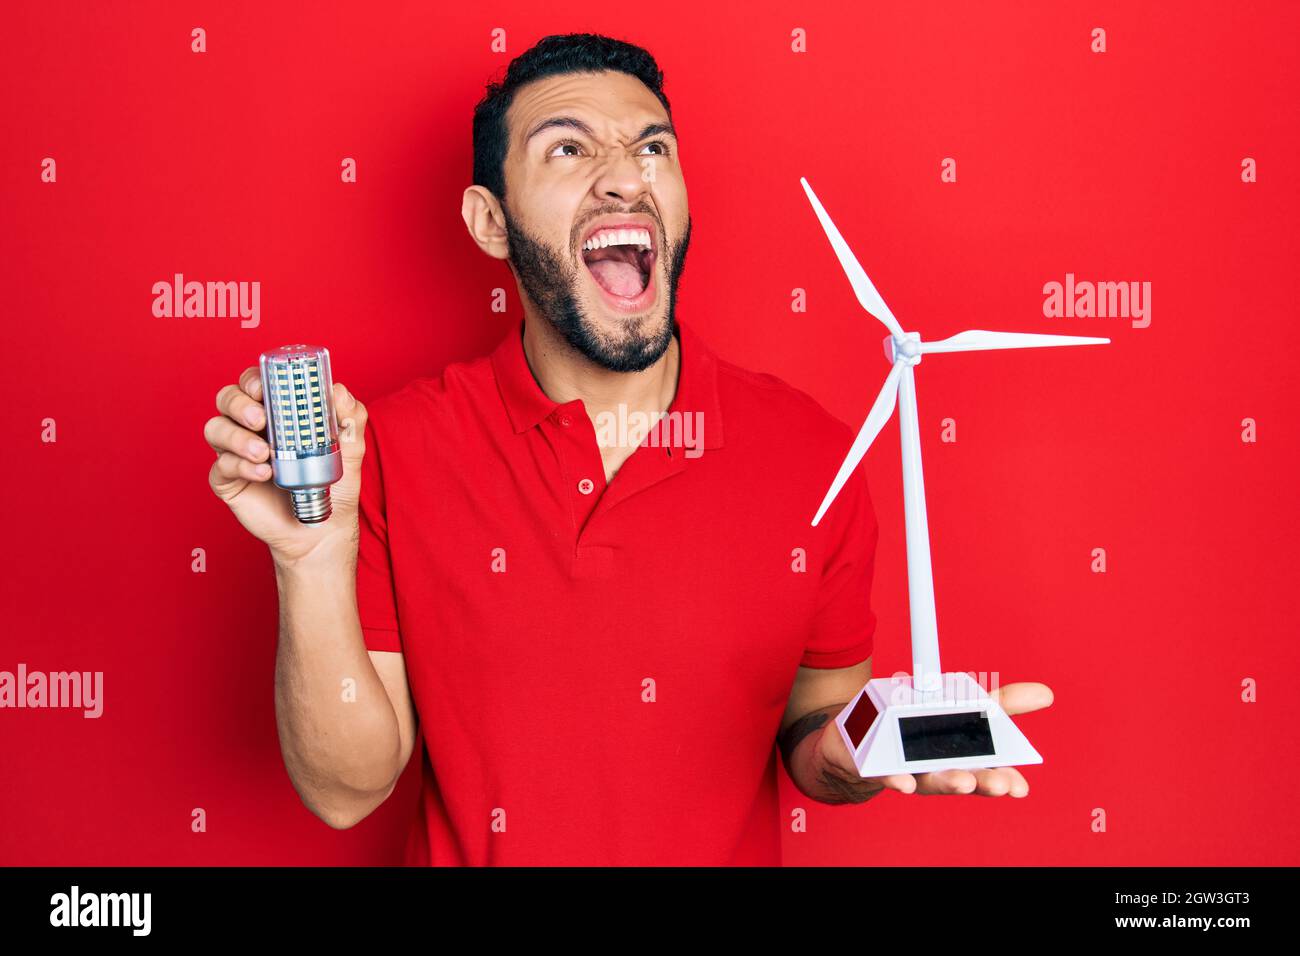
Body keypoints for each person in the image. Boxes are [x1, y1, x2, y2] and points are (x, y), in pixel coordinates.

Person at [204, 32, 1052, 866]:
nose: (625, 177)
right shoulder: (390, 449)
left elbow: (811, 738)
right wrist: (311, 558)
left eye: (652, 147)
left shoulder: (817, 453)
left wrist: (876, 746)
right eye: (568, 149)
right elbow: (345, 791)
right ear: (490, 221)